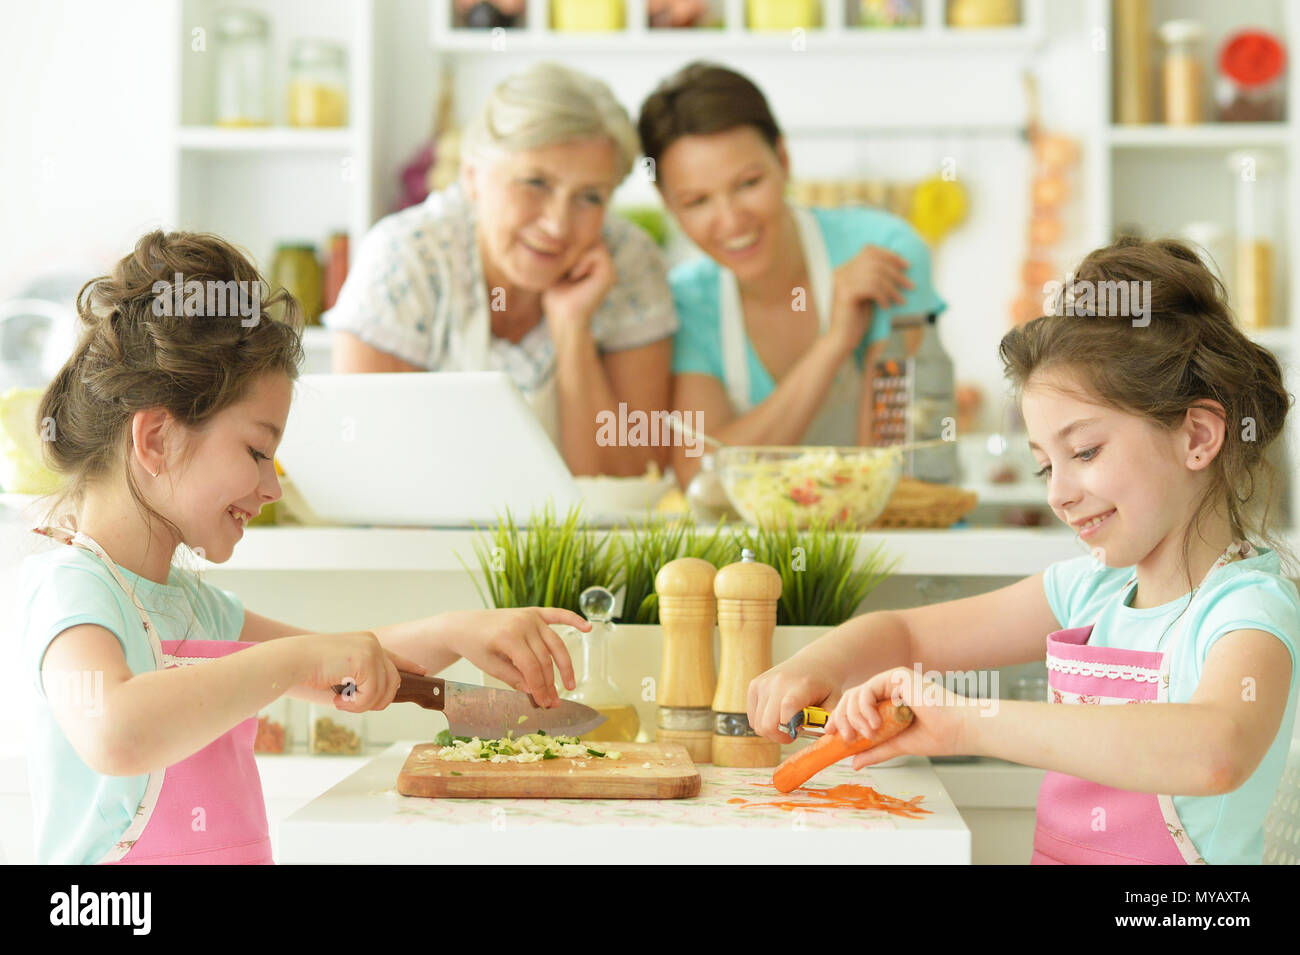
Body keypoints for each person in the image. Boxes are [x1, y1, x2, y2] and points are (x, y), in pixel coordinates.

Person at [20, 231, 587, 864]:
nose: (270, 487)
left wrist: (458, 631)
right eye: (257, 452)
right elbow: (116, 731)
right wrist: (292, 662)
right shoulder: (71, 588)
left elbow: (338, 668)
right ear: (155, 439)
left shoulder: (197, 609)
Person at [748, 237, 1299, 865]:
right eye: (1044, 468)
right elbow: (905, 634)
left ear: (1197, 436)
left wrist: (967, 720)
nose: (1060, 494)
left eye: (1085, 452)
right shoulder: (1089, 590)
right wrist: (814, 663)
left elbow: (1215, 751)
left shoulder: (1247, 609)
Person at [328, 63, 677, 476]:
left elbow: (623, 483)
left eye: (590, 197)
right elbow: (372, 470)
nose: (557, 225)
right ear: (472, 176)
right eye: (535, 183)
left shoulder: (630, 264)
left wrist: (572, 331)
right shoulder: (407, 261)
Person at [638, 62, 946, 486]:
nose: (730, 222)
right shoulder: (688, 302)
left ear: (783, 160)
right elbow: (700, 476)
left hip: (892, 541)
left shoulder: (883, 252)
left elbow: (890, 465)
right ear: (668, 204)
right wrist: (834, 343)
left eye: (748, 183)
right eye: (697, 202)